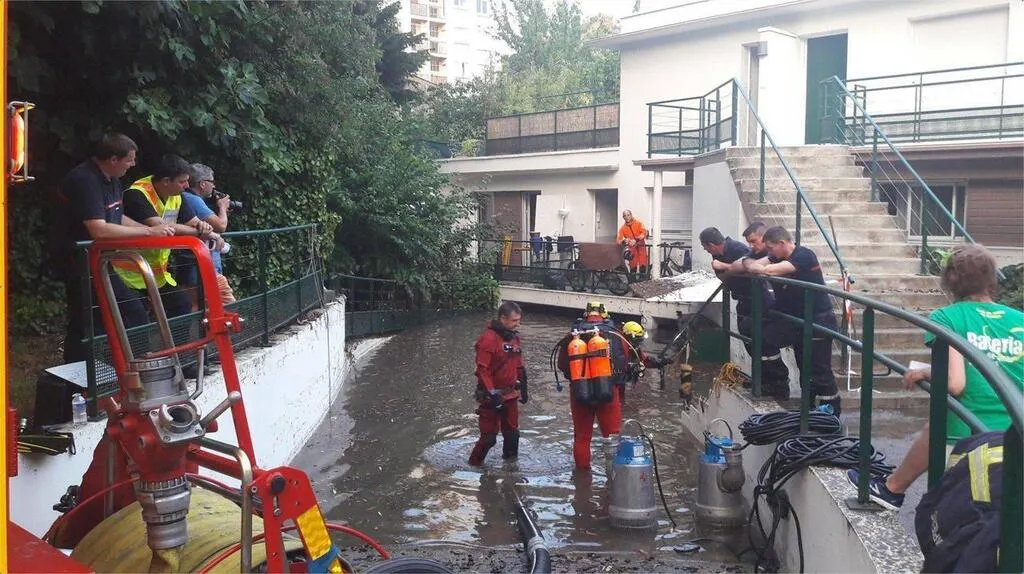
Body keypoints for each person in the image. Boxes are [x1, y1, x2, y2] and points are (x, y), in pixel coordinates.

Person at [848, 244, 1023, 509]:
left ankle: (891, 490)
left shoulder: (946, 317)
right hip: (1015, 432)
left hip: (967, 435)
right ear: (991, 279)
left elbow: (954, 383)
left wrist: (923, 372)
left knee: (938, 423)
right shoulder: (1018, 320)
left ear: (950, 281)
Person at [51, 133, 176, 363]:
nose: (133, 164)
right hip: (80, 262)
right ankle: (133, 371)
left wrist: (152, 230)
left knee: (92, 321)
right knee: (111, 317)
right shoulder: (85, 180)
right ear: (113, 159)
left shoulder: (111, 179)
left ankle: (100, 377)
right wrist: (148, 232)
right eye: (129, 160)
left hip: (99, 261)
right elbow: (98, 229)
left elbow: (116, 217)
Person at [744, 226, 842, 415]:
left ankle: (831, 415)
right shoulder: (777, 255)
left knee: (818, 371)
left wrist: (759, 267)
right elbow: (750, 264)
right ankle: (781, 386)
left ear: (782, 243)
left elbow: (768, 270)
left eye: (771, 248)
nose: (769, 252)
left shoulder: (804, 256)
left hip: (818, 321)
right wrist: (753, 264)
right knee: (757, 332)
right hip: (796, 320)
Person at [118, 154, 224, 323]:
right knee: (137, 320)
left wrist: (208, 231)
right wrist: (198, 232)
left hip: (156, 273)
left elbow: (195, 223)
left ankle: (178, 349)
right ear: (166, 181)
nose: (187, 186)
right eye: (182, 182)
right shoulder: (137, 194)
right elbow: (161, 227)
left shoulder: (177, 194)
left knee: (181, 305)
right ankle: (145, 351)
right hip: (129, 274)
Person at [700, 226, 789, 399]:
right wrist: (730, 270)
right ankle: (762, 379)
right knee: (750, 340)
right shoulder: (717, 254)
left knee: (763, 342)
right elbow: (724, 276)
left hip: (758, 300)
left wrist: (727, 267)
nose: (753, 246)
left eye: (754, 241)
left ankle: (777, 383)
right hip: (743, 300)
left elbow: (747, 268)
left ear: (712, 245)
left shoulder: (736, 249)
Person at [557, 301, 630, 470]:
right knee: (612, 437)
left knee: (582, 438)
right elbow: (624, 361)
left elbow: (562, 365)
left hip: (579, 391)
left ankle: (582, 481)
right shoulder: (615, 333)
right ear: (605, 314)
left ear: (585, 314)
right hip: (609, 391)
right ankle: (613, 480)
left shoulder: (573, 335)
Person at [469, 301, 527, 466]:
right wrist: (492, 393)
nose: (518, 324)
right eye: (515, 321)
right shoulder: (488, 339)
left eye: (518, 320)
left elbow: (518, 364)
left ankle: (510, 471)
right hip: (491, 397)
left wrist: (524, 386)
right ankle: (473, 466)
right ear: (503, 318)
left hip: (510, 395)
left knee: (512, 436)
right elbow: (482, 370)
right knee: (488, 438)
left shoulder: (514, 338)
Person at [177, 163, 235, 306]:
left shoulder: (188, 199)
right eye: (212, 182)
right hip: (200, 266)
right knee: (224, 306)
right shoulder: (192, 199)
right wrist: (222, 207)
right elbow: (221, 226)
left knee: (197, 308)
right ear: (202, 184)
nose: (214, 186)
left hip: (194, 264)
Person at [620, 321, 670, 393]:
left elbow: (645, 361)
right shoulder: (619, 348)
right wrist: (631, 369)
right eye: (636, 340)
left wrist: (660, 362)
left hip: (623, 385)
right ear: (628, 337)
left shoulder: (633, 349)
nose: (638, 344)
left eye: (639, 341)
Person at [616, 210, 648, 277]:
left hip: (641, 247)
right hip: (632, 249)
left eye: (628, 215)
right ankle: (633, 283)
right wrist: (624, 241)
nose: (627, 217)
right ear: (623, 217)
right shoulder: (623, 228)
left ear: (631, 215)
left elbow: (644, 232)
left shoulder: (639, 223)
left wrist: (636, 240)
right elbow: (618, 239)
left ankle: (642, 282)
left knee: (643, 265)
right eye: (625, 216)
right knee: (633, 267)